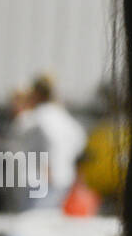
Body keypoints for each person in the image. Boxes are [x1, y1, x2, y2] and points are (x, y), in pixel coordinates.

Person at [24, 73, 88, 207]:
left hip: (44, 177)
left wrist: (48, 166)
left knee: (36, 219)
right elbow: (80, 139)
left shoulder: (39, 116)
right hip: (64, 176)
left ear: (36, 94)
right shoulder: (62, 116)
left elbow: (47, 140)